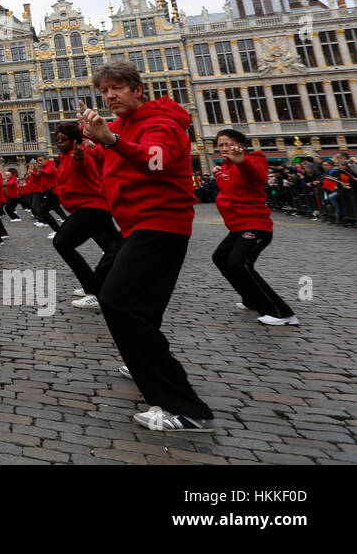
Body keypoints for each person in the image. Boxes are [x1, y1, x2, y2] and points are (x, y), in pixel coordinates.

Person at [79, 60, 213, 433]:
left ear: (138, 89)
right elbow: (111, 162)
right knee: (135, 303)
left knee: (118, 300)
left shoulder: (161, 121)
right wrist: (93, 141)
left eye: (117, 88)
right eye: (104, 90)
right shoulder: (122, 127)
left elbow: (156, 161)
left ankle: (185, 408)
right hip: (137, 225)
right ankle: (143, 363)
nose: (109, 95)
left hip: (161, 223)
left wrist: (112, 141)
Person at [210, 128, 298, 326]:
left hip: (255, 225)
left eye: (227, 143)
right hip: (237, 226)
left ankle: (281, 312)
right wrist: (221, 171)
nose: (223, 148)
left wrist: (241, 160)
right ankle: (250, 298)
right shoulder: (227, 167)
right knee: (221, 258)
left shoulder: (253, 160)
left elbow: (256, 175)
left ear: (240, 146)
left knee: (238, 263)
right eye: (220, 144)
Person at [49, 123, 119, 309]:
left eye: (63, 140)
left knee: (61, 243)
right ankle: (101, 284)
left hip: (89, 209)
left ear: (74, 141)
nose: (59, 143)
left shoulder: (79, 155)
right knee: (114, 248)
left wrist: (80, 154)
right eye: (57, 140)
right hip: (93, 208)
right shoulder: (65, 157)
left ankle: (94, 290)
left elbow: (82, 161)